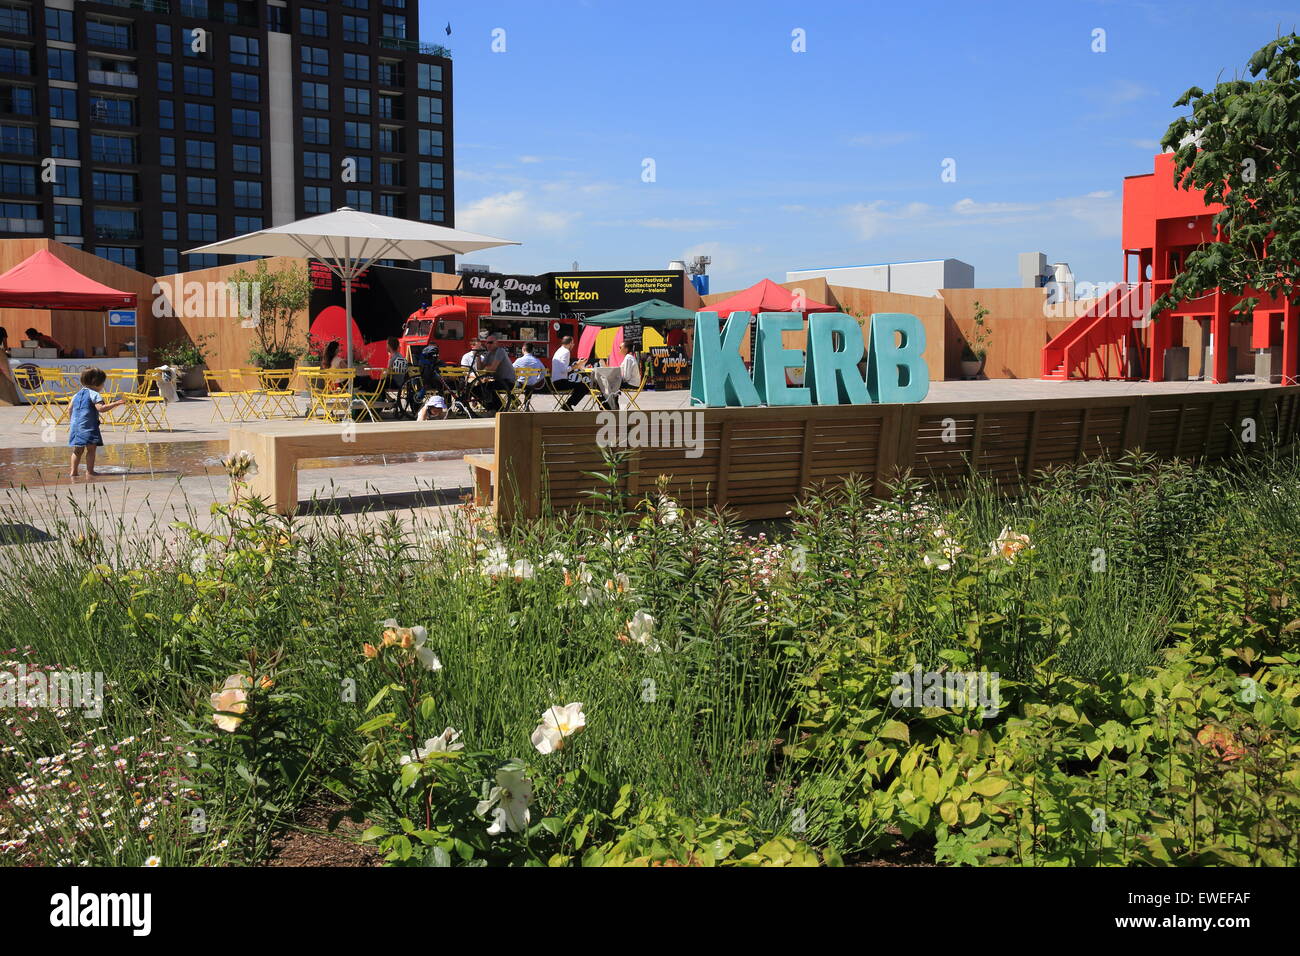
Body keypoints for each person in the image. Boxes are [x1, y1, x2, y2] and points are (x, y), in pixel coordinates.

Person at [67, 368, 127, 480]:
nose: (103, 386)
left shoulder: (76, 395)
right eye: (103, 383)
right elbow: (101, 408)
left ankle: (73, 472)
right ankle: (90, 472)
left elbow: (69, 409)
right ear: (96, 383)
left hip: (76, 427)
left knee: (77, 450)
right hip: (88, 427)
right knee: (91, 449)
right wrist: (116, 403)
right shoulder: (94, 394)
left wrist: (73, 422)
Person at [472, 332, 515, 413]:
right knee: (475, 389)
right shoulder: (489, 353)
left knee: (487, 387)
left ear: (496, 343)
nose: (488, 344)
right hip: (499, 381)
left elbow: (493, 368)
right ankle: (491, 408)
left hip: (508, 382)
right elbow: (480, 368)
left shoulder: (500, 351)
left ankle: (498, 409)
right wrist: (478, 356)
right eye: (486, 342)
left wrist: (486, 368)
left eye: (490, 342)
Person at [550, 335, 586, 411]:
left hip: (555, 382)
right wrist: (577, 366)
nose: (573, 345)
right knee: (584, 387)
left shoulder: (559, 350)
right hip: (560, 383)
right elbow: (564, 369)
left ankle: (568, 404)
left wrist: (577, 365)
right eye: (573, 343)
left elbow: (562, 368)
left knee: (580, 386)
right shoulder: (566, 352)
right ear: (569, 343)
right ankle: (568, 405)